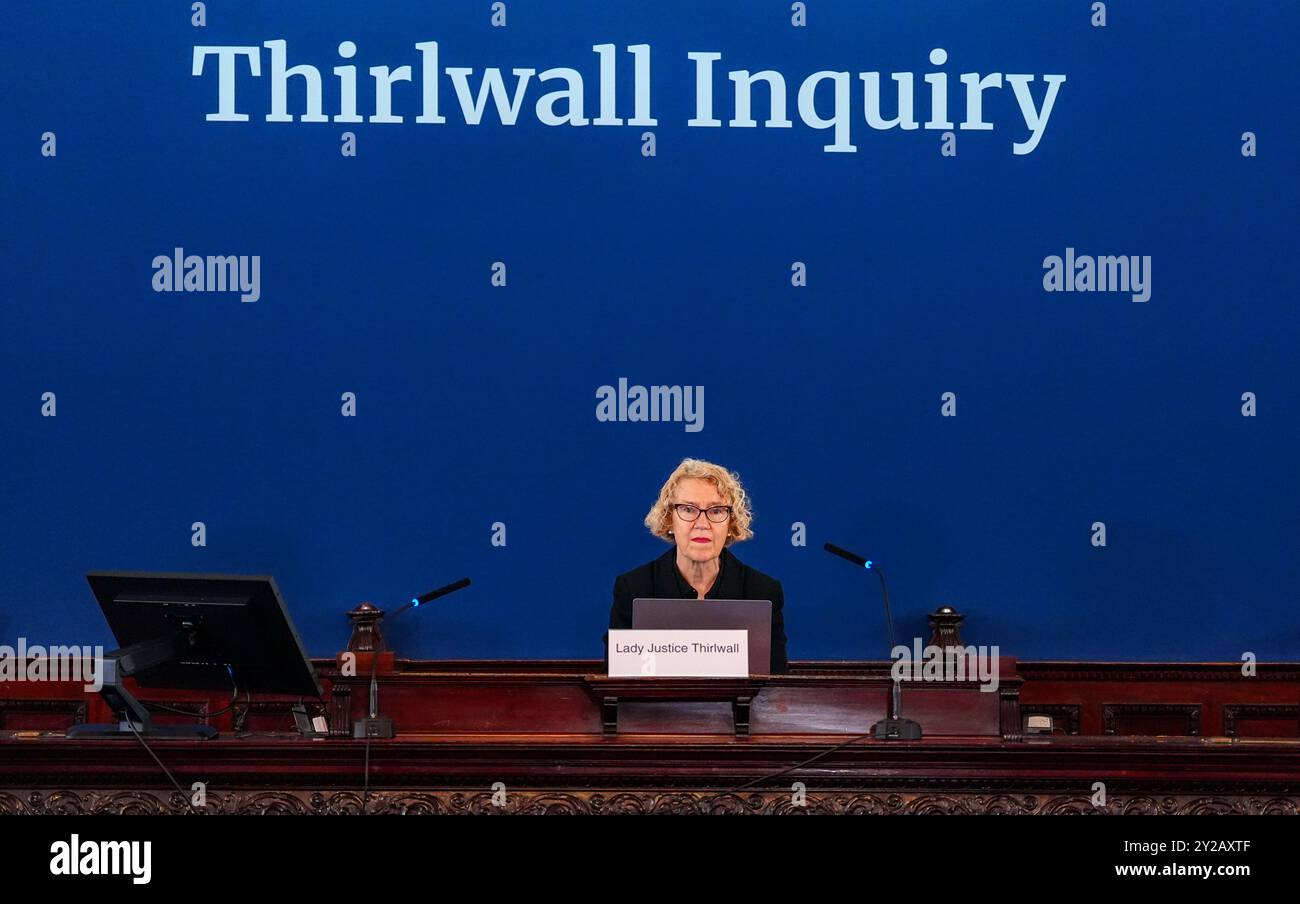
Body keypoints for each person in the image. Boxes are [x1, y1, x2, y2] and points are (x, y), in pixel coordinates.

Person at [607, 458, 789, 673]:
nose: (702, 524)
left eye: (716, 511)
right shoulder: (634, 588)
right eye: (688, 509)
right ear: (669, 520)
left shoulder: (762, 592)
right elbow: (617, 683)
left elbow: (775, 688)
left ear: (731, 524)